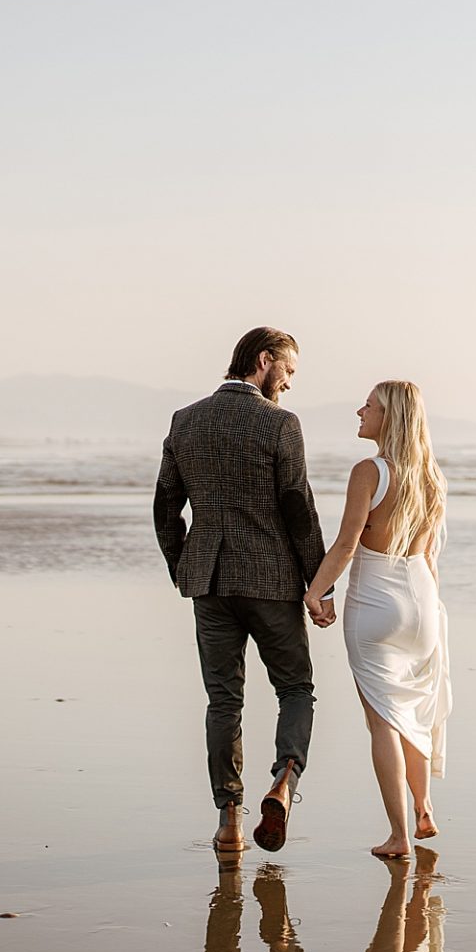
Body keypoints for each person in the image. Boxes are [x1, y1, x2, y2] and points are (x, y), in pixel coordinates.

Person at [154, 326, 335, 855]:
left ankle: (229, 821)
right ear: (264, 360)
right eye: (289, 370)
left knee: (223, 700)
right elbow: (298, 507)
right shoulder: (279, 424)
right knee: (295, 688)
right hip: (271, 580)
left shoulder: (185, 420)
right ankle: (283, 782)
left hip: (209, 583)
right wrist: (319, 584)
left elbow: (166, 507)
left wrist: (184, 567)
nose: (290, 382)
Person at [302, 381, 451, 858]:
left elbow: (347, 544)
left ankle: (399, 835)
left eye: (368, 406)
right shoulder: (431, 476)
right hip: (423, 602)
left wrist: (316, 591)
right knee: (412, 712)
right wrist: (431, 613)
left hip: (376, 604)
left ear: (390, 417)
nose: (359, 411)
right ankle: (423, 807)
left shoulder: (369, 471)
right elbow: (430, 555)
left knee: (383, 719)